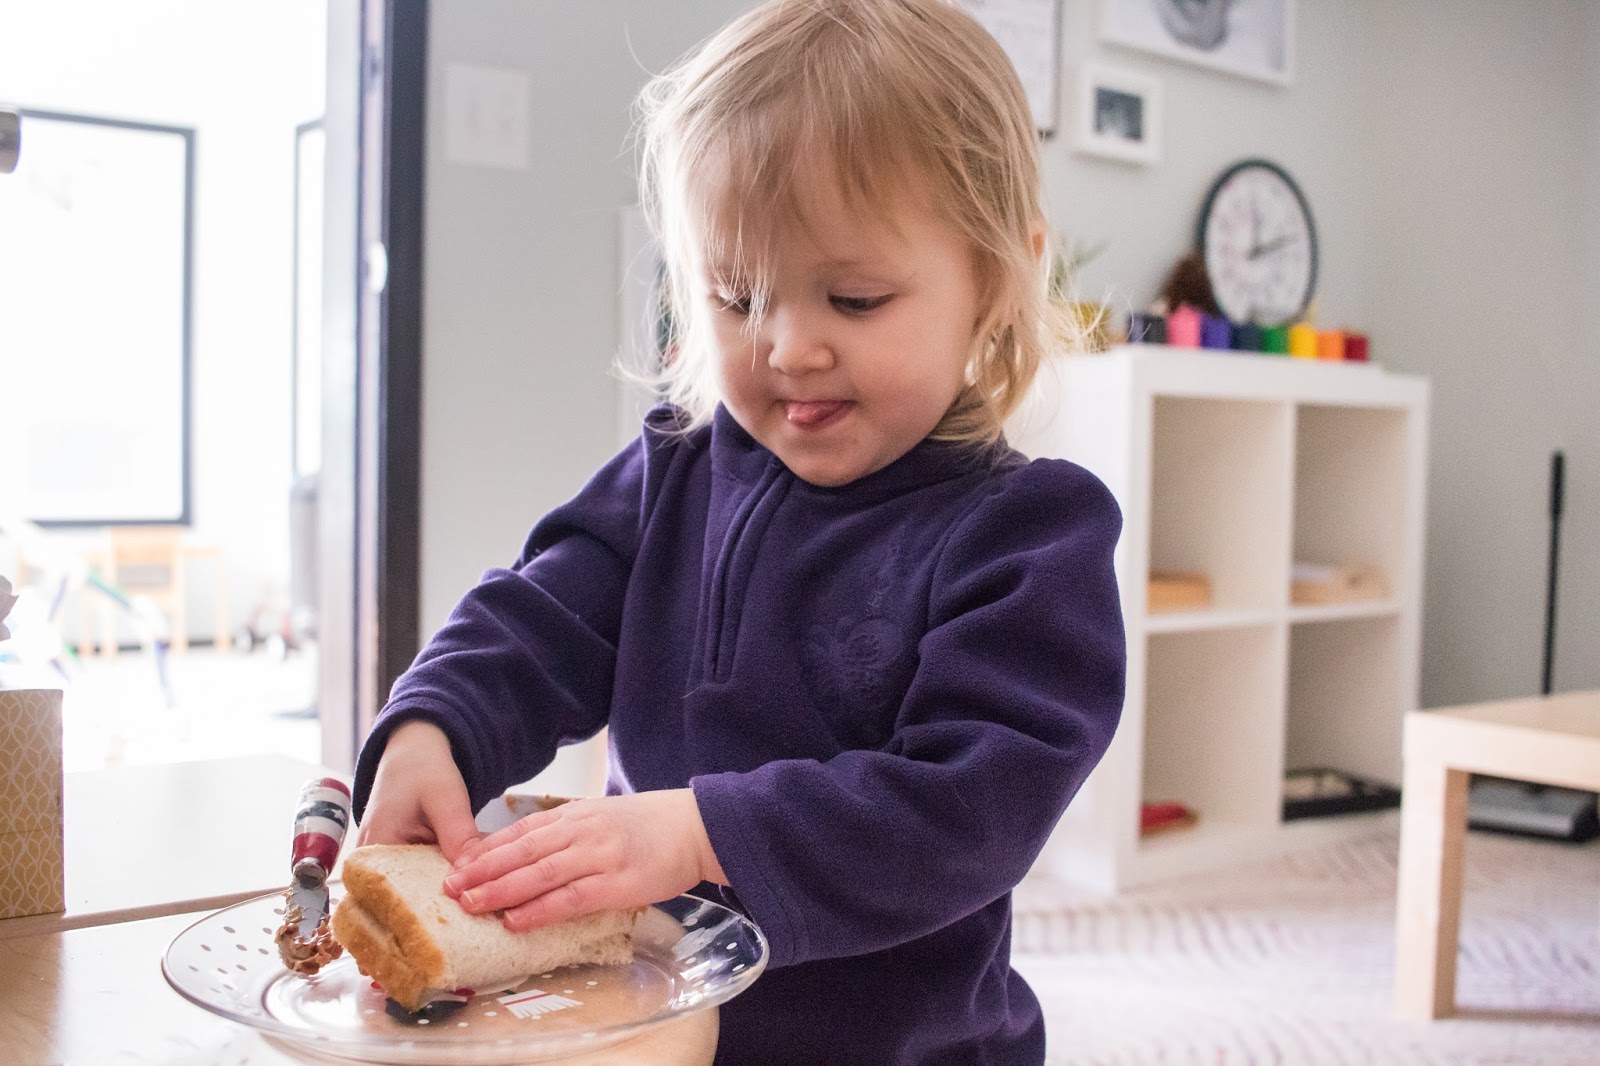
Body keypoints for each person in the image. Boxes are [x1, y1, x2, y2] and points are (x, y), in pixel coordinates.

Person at [351, 0, 1126, 1060]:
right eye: (736, 294)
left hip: (905, 1045)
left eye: (852, 299)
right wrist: (430, 727)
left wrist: (695, 831)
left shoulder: (1028, 534)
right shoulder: (675, 465)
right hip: (658, 1016)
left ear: (993, 281)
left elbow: (968, 809)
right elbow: (536, 616)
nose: (789, 346)